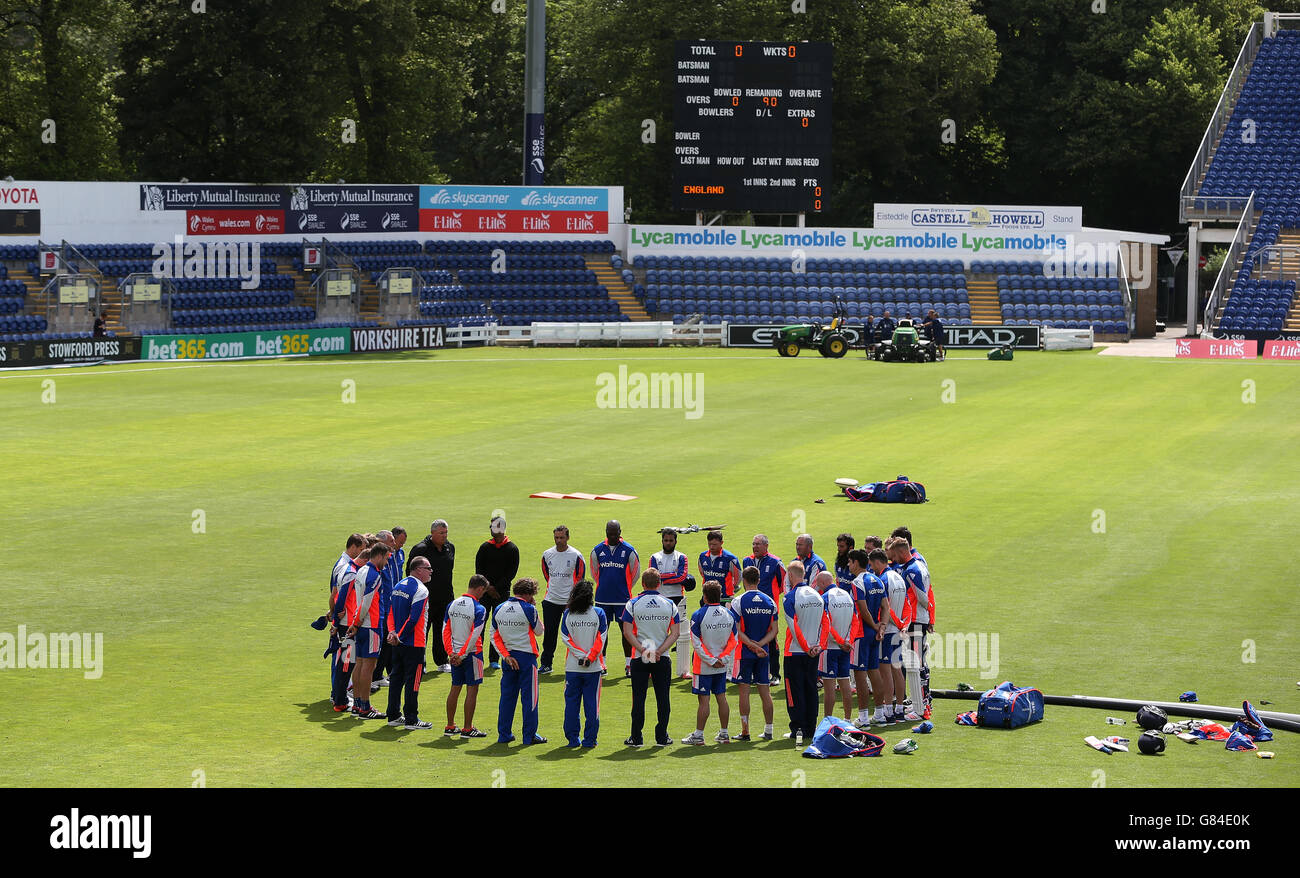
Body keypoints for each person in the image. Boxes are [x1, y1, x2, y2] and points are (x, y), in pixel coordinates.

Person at [621, 569, 681, 747]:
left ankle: (636, 737)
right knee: (663, 698)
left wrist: (643, 650)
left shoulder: (632, 603)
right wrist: (660, 651)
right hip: (662, 658)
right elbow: (675, 633)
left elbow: (626, 631)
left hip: (640, 657)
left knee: (638, 698)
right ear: (659, 583)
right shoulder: (669, 604)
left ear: (643, 584)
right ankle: (662, 737)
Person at [338, 543, 392, 719]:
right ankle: (365, 707)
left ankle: (358, 705)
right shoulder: (375, 574)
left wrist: (355, 622)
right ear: (380, 555)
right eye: (385, 558)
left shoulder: (361, 571)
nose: (386, 562)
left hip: (361, 625)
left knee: (360, 663)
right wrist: (359, 622)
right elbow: (367, 601)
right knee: (368, 666)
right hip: (371, 625)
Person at [492, 578, 546, 745]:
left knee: (507, 697)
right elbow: (539, 632)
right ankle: (529, 736)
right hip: (527, 657)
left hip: (508, 657)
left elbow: (494, 636)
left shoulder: (500, 608)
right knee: (530, 698)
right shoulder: (529, 608)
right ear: (529, 594)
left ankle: (504, 734)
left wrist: (506, 656)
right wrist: (535, 608)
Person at [683, 582, 738, 745]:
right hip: (721, 666)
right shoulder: (729, 615)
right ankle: (724, 734)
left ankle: (699, 736)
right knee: (721, 698)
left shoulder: (698, 615)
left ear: (704, 596)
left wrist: (712, 660)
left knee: (704, 701)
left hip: (703, 667)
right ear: (720, 595)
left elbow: (696, 643)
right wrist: (723, 659)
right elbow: (733, 640)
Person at [729, 565, 777, 741]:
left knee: (744, 692)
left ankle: (745, 731)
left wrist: (751, 645)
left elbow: (737, 630)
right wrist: (761, 645)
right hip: (763, 653)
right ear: (759, 580)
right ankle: (769, 729)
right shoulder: (770, 601)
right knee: (765, 691)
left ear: (743, 580)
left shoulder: (738, 601)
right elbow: (774, 630)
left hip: (745, 653)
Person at [384, 556, 433, 729]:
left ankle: (393, 715)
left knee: (396, 677)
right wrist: (400, 635)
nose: (430, 572)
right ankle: (411, 719)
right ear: (418, 569)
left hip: (397, 643)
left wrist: (393, 633)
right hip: (414, 643)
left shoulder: (398, 585)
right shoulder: (421, 590)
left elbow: (390, 612)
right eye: (428, 568)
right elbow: (414, 618)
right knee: (414, 680)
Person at [782, 560, 827, 742]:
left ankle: (797, 729)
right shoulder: (817, 596)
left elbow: (794, 627)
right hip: (814, 652)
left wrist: (806, 647)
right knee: (811, 689)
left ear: (790, 576)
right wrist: (819, 645)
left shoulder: (790, 597)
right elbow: (826, 623)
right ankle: (811, 727)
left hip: (795, 652)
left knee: (795, 690)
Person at [889, 536, 931, 721]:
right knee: (916, 664)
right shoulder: (918, 565)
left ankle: (920, 709)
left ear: (901, 552)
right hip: (917, 620)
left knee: (915, 665)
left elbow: (923, 597)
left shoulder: (912, 570)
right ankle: (921, 705)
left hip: (915, 620)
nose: (894, 558)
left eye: (895, 554)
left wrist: (922, 611)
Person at [559, 580, 606, 749]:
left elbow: (566, 639)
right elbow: (602, 638)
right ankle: (589, 740)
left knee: (571, 704)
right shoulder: (599, 613)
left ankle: (572, 739)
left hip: (573, 667)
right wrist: (590, 657)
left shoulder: (568, 614)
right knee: (592, 705)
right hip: (593, 668)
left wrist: (580, 656)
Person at [591, 519, 640, 677]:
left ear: (620, 532)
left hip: (623, 599)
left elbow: (635, 573)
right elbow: (595, 573)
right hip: (602, 599)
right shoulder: (597, 550)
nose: (612, 536)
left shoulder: (629, 550)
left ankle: (629, 664)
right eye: (609, 533)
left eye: (614, 533)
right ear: (606, 532)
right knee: (601, 632)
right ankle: (602, 664)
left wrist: (625, 588)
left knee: (627, 632)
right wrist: (604, 585)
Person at [442, 575, 489, 738]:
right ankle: (468, 728)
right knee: (472, 689)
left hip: (454, 653)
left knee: (455, 688)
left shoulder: (452, 604)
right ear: (480, 589)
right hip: (472, 654)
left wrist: (451, 653)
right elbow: (475, 635)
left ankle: (450, 725)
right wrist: (462, 655)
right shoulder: (479, 609)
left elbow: (445, 631)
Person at [847, 549, 888, 727]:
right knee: (874, 672)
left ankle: (863, 718)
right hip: (874, 633)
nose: (848, 565)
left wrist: (874, 625)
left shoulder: (857, 582)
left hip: (861, 633)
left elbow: (862, 610)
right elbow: (886, 607)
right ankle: (880, 714)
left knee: (860, 675)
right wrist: (882, 627)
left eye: (849, 562)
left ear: (856, 562)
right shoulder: (878, 580)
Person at [409, 520, 455, 673]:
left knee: (441, 631)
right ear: (433, 533)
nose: (444, 536)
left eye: (446, 532)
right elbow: (410, 573)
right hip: (425, 598)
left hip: (445, 597)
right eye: (441, 533)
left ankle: (442, 660)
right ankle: (420, 662)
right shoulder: (420, 549)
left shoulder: (450, 547)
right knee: (422, 631)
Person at [540, 525, 586, 674]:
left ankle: (577, 662)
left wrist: (572, 600)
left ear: (568, 537)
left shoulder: (576, 555)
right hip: (551, 600)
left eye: (561, 538)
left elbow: (580, 579)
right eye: (556, 538)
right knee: (549, 635)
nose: (559, 541)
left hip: (570, 603)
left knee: (575, 634)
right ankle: (546, 664)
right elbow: (547, 575)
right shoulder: (547, 554)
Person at [476, 516, 520, 670]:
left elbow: (511, 573)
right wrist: (489, 588)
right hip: (484, 592)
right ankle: (478, 656)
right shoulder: (485, 547)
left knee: (499, 626)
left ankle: (494, 659)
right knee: (480, 624)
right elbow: (479, 570)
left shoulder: (512, 548)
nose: (491, 529)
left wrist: (496, 588)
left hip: (502, 593)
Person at [871, 547, 909, 724]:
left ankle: (888, 711)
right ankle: (899, 710)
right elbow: (907, 605)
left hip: (888, 631)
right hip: (898, 631)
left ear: (878, 562)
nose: (871, 568)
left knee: (885, 672)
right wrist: (904, 625)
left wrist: (889, 626)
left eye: (872, 564)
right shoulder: (899, 577)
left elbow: (887, 608)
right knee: (897, 671)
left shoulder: (883, 579)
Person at [742, 534, 787, 683]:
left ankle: (775, 674)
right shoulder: (747, 561)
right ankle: (756, 673)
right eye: (753, 544)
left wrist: (771, 598)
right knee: (752, 637)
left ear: (766, 546)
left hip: (768, 608)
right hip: (750, 608)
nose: (755, 547)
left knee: (771, 640)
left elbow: (784, 584)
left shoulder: (776, 562)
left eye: (758, 544)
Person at [650, 529, 693, 680]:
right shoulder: (654, 557)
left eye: (671, 540)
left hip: (677, 598)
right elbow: (653, 578)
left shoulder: (682, 557)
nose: (668, 543)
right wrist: (672, 576)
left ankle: (684, 670)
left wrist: (662, 578)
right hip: (658, 598)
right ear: (662, 541)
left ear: (675, 541)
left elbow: (682, 577)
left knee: (682, 634)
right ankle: (651, 667)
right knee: (654, 631)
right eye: (666, 540)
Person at [329, 533, 366, 711]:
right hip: (348, 625)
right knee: (346, 663)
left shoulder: (345, 568)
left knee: (344, 662)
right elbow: (340, 597)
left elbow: (333, 593)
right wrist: (336, 620)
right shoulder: (352, 573)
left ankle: (339, 697)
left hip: (345, 623)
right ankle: (340, 700)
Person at [819, 570, 857, 721]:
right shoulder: (847, 596)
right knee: (845, 684)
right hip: (846, 648)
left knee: (829, 689)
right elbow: (855, 621)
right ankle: (848, 720)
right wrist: (849, 641)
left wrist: (840, 641)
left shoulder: (824, 598)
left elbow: (826, 624)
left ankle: (827, 721)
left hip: (830, 648)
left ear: (822, 583)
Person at [697, 530, 742, 604]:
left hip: (725, 599)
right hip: (707, 598)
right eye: (710, 544)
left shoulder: (730, 558)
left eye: (714, 544)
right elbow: (702, 573)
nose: (711, 547)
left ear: (721, 543)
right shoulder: (702, 557)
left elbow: (738, 577)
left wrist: (731, 588)